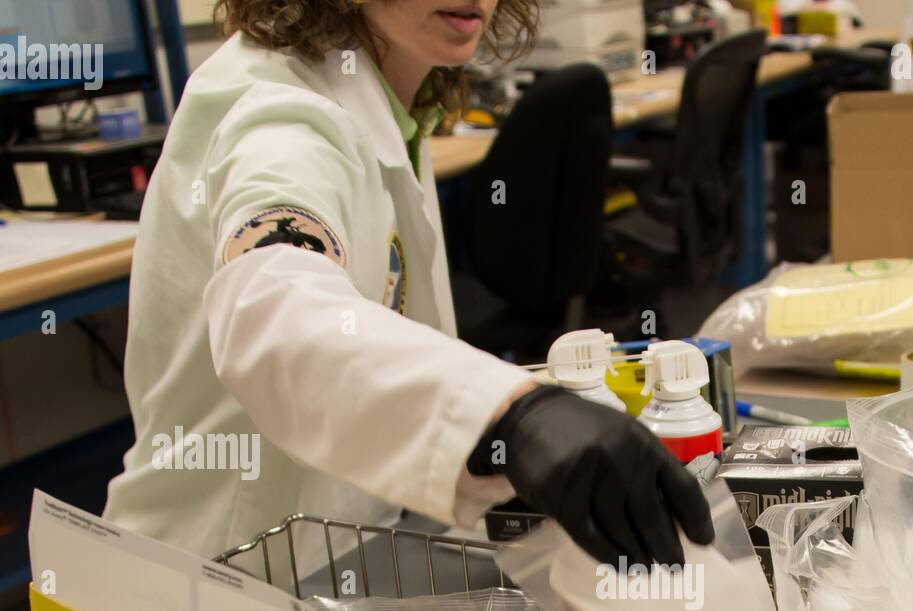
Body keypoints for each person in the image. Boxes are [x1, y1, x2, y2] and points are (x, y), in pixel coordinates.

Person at [104, 0, 713, 570]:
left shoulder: (391, 99)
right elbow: (277, 309)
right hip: (211, 586)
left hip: (328, 557)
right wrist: (508, 417)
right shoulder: (277, 120)